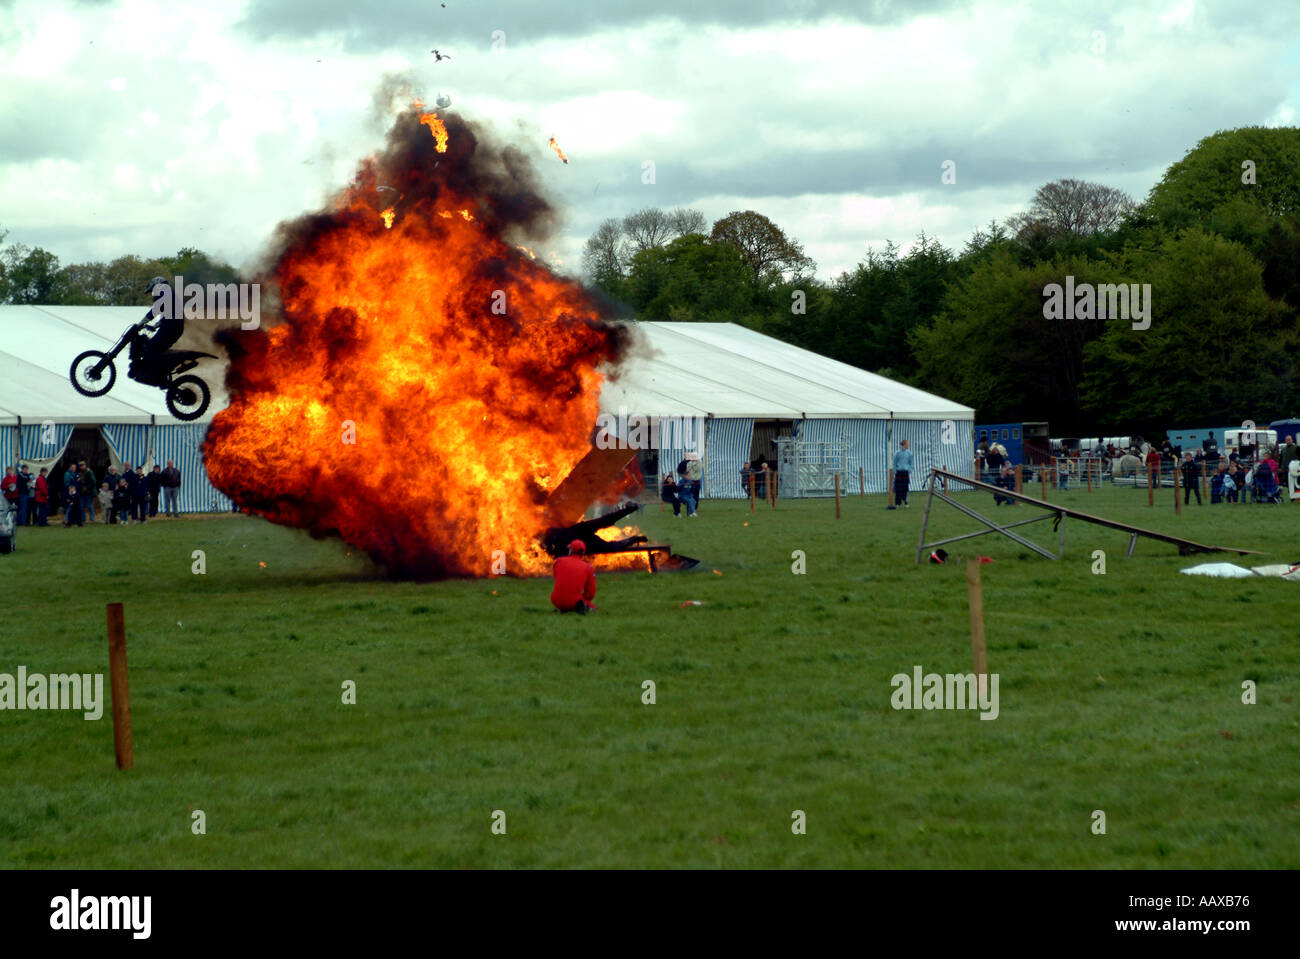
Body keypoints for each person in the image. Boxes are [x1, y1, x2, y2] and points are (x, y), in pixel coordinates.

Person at [131, 276, 187, 386]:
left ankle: (155, 376)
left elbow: (154, 311)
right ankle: (158, 373)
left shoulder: (165, 291)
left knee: (151, 347)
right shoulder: (169, 294)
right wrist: (155, 326)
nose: (153, 293)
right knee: (155, 348)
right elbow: (169, 315)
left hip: (171, 328)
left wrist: (140, 324)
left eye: (152, 290)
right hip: (172, 327)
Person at [550, 539, 597, 614]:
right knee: (594, 608)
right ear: (583, 553)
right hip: (574, 601)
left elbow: (557, 577)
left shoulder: (558, 561)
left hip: (555, 600)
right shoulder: (588, 567)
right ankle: (578, 606)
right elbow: (590, 593)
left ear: (570, 550)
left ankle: (564, 608)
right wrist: (583, 599)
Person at [891, 439, 913, 508]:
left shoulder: (909, 453)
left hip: (905, 472)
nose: (908, 445)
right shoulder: (897, 453)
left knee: (906, 488)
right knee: (898, 488)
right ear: (903, 444)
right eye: (907, 444)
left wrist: (910, 470)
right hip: (899, 472)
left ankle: (906, 502)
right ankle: (898, 503)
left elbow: (911, 463)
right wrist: (894, 472)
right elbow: (894, 463)